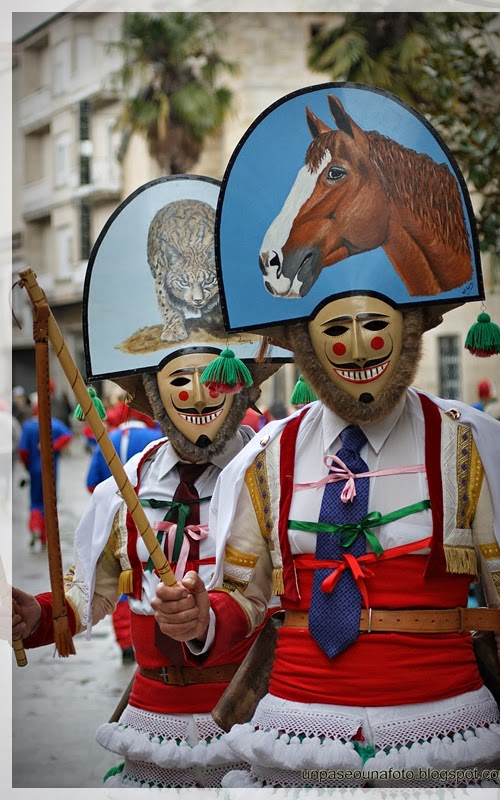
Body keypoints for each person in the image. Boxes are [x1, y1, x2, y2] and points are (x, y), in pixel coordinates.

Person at [151, 85, 500, 789]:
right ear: (305, 347)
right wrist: (198, 617)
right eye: (334, 334)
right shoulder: (263, 462)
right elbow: (243, 603)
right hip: (294, 734)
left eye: (375, 326)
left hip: (446, 737)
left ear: (411, 331)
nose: (355, 348)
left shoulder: (485, 449)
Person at [12, 176, 288, 789]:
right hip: (153, 720)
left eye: (211, 378)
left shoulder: (278, 472)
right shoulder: (125, 484)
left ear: (241, 383)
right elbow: (92, 594)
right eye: (177, 381)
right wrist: (37, 614)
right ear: (152, 395)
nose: (195, 395)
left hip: (255, 718)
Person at [86, 405, 163, 664]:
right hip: (152, 521)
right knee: (152, 575)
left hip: (114, 519)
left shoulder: (109, 440)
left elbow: (91, 483)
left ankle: (124, 639)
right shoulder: (154, 439)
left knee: (118, 579)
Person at [18, 402, 72, 549]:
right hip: (52, 470)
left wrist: (27, 465)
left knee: (35, 501)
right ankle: (45, 536)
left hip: (35, 469)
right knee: (49, 501)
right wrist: (53, 446)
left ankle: (36, 527)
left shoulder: (28, 427)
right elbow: (68, 435)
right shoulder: (54, 424)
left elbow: (23, 450)